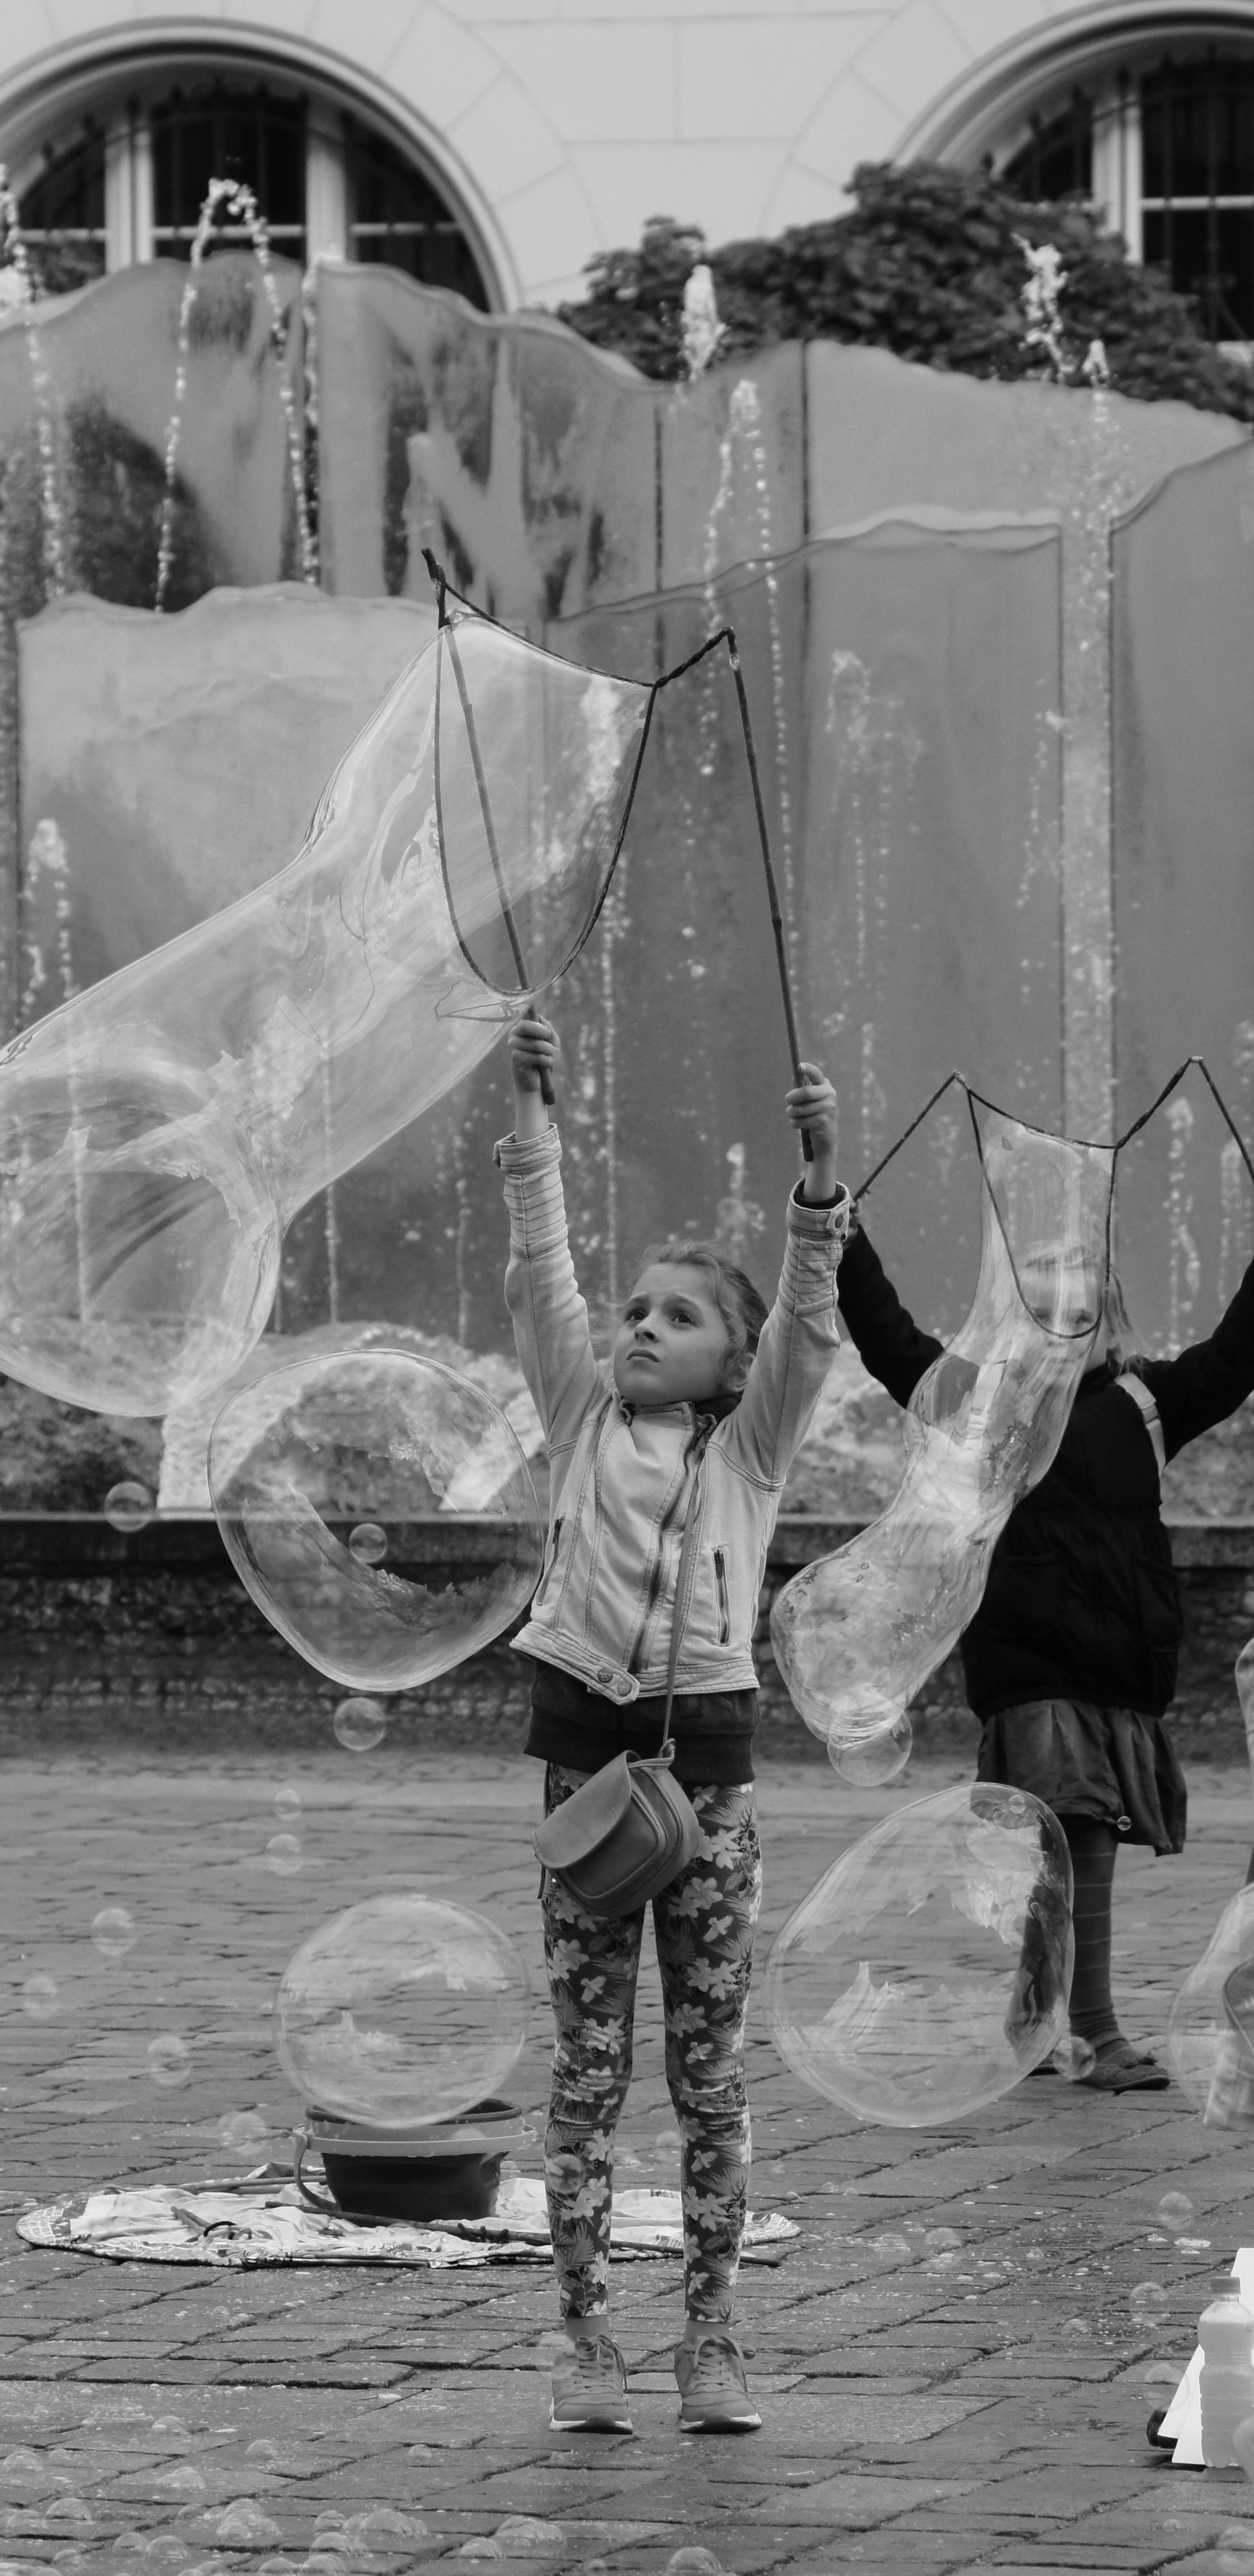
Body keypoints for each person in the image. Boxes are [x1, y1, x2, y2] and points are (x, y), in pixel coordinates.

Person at [498, 1012, 846, 2437]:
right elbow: (542, 1267)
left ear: (735, 1360)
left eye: (679, 1315)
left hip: (708, 1788)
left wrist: (818, 1184)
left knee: (710, 2075)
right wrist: (535, 1119)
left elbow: (811, 1321)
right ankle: (585, 2339)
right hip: (587, 1775)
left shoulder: (752, 1447)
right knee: (587, 2070)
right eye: (635, 1307)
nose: (640, 1324)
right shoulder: (581, 1416)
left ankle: (713, 2337)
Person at [835, 1202, 1254, 2094]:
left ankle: (1032, 2018)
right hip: (1030, 1665)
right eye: (1040, 1310)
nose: (1063, 1326)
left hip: (1123, 1665)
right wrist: (845, 1235)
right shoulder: (983, 1404)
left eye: (1081, 1310)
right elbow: (890, 1342)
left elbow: (1238, 1353)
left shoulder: (1150, 1403)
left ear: (1113, 1320)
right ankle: (1093, 2031)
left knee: (1064, 1842)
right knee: (1084, 1828)